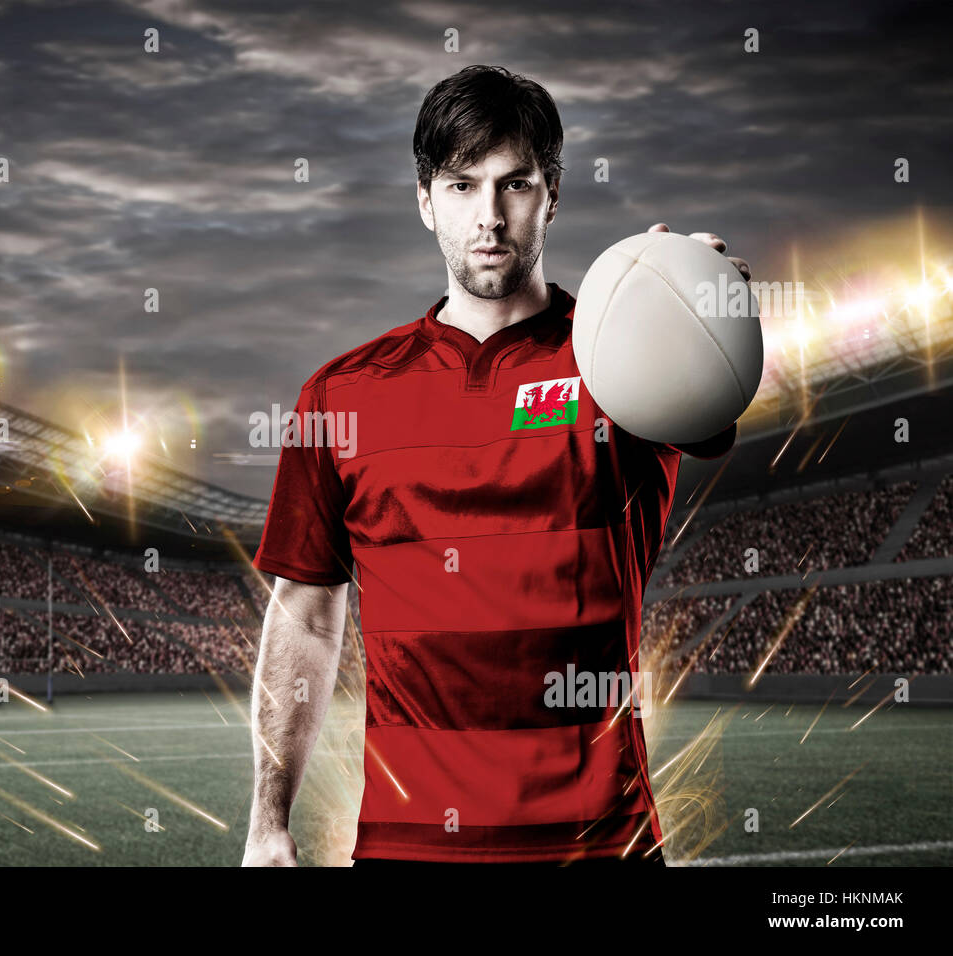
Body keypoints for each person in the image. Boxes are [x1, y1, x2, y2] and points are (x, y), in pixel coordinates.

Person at [242, 65, 750, 867]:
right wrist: (268, 822)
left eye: (515, 184)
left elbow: (712, 395)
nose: (489, 217)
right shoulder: (340, 395)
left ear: (552, 196)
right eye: (460, 184)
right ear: (423, 199)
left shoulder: (621, 366)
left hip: (600, 849)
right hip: (409, 853)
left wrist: (702, 306)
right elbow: (304, 613)